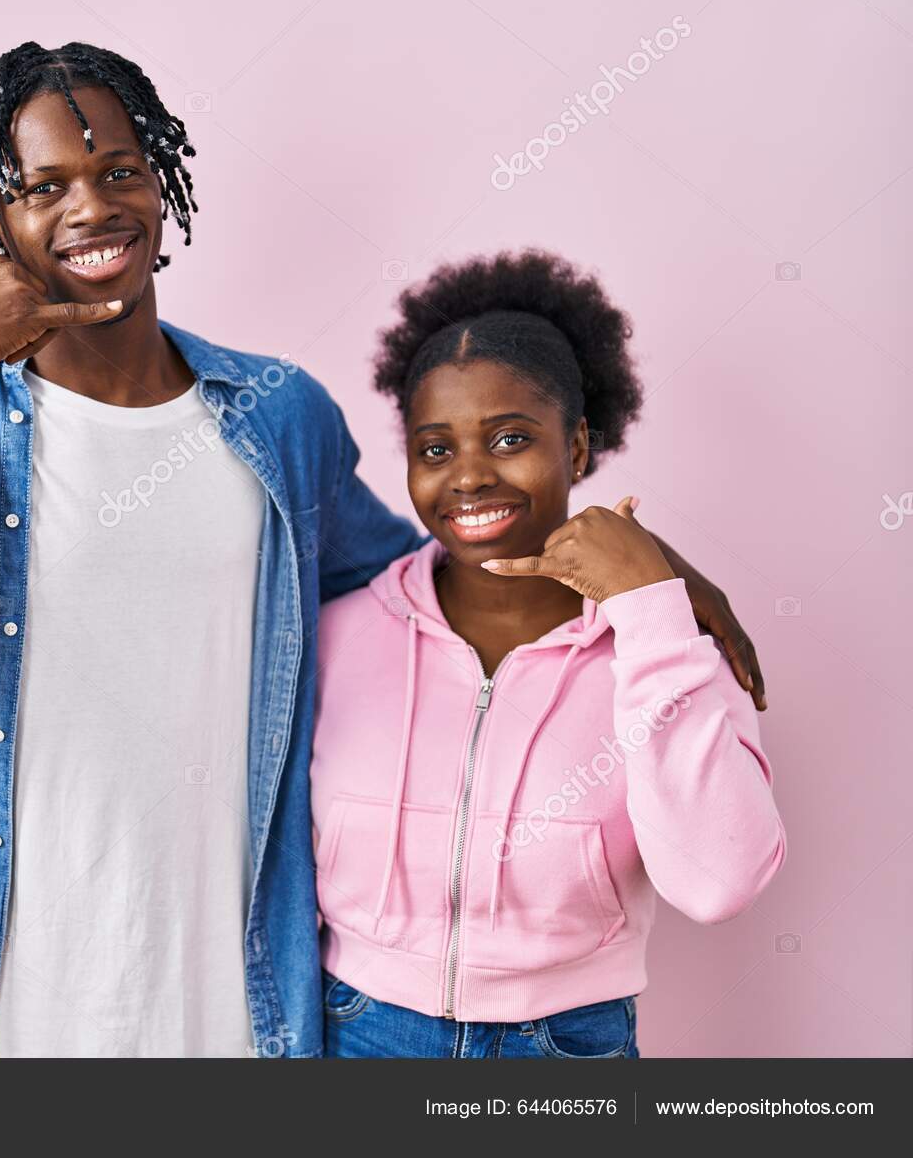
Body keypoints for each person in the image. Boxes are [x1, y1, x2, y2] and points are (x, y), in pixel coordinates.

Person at [0, 42, 764, 1058]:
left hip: (234, 1004)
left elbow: (434, 580)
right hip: (0, 1000)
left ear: (162, 185)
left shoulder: (275, 417)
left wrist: (651, 575)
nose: (92, 207)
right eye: (43, 187)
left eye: (120, 170)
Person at [313, 250, 785, 1057]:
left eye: (509, 438)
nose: (468, 476)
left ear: (575, 448)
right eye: (435, 449)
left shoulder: (662, 642)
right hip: (357, 1031)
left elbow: (718, 882)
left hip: (565, 1045)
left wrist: (646, 607)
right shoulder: (338, 631)